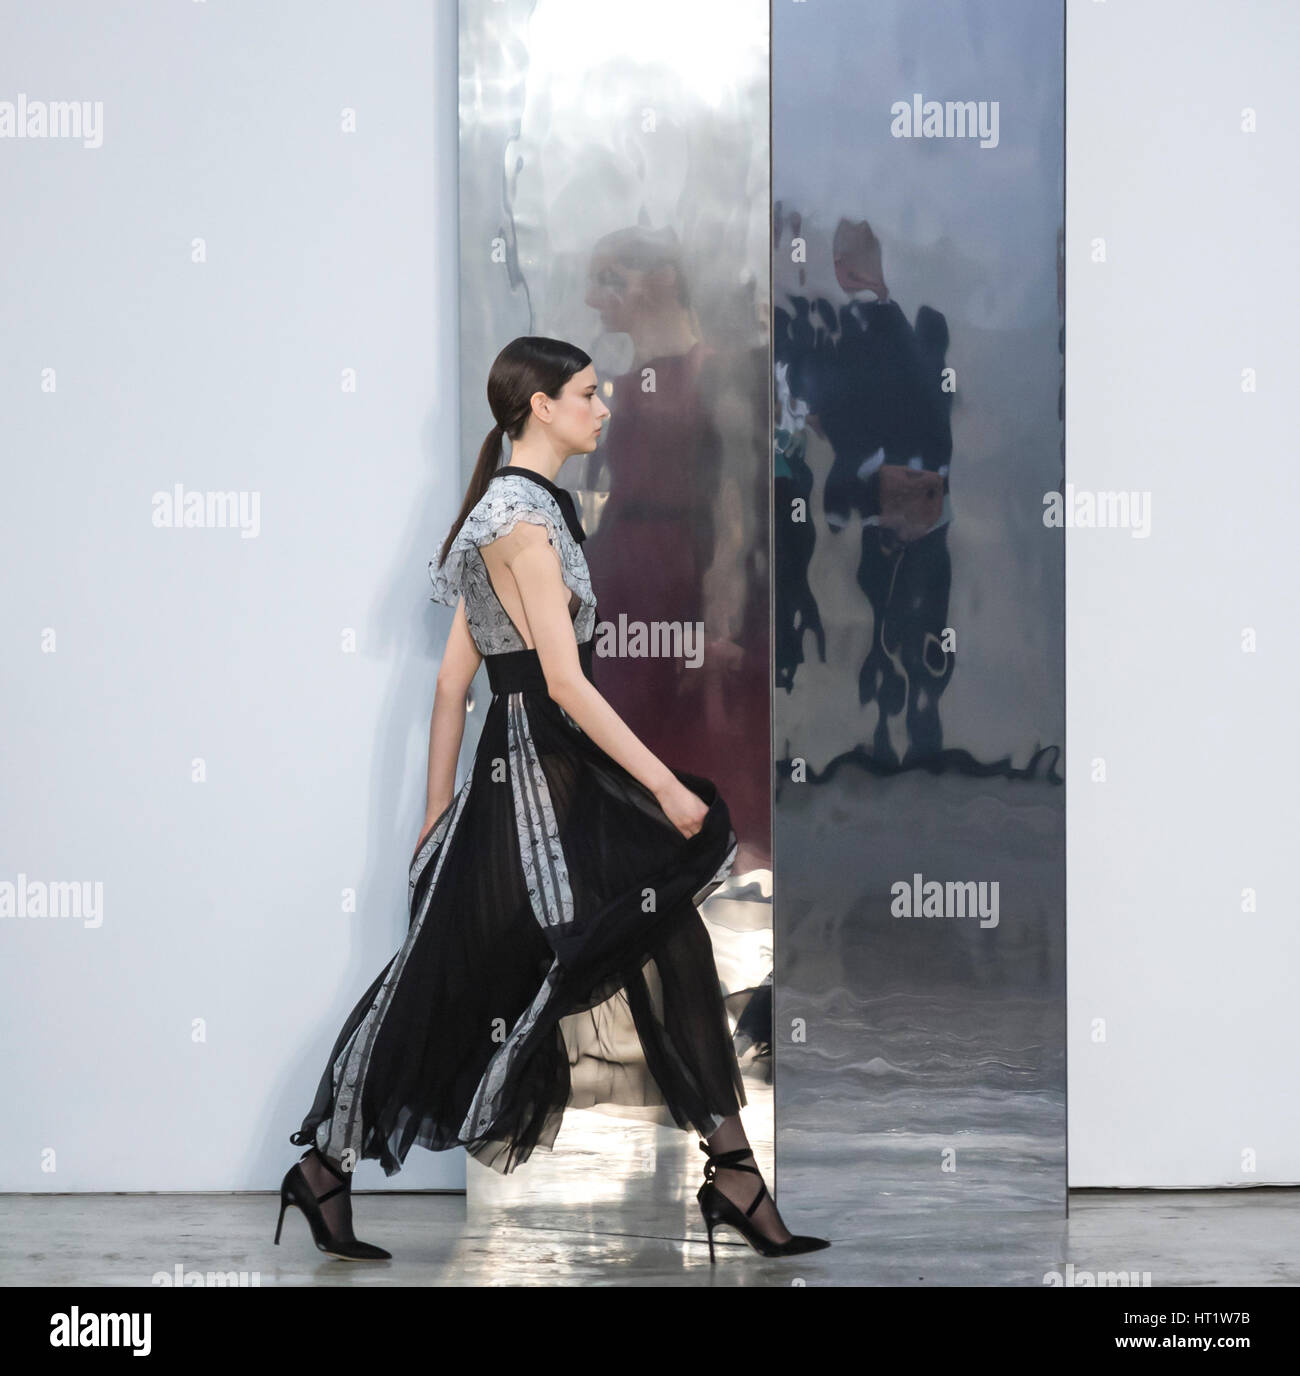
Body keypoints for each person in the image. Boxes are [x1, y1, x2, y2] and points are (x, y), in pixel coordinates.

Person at [275, 336, 829, 1265]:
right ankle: (327, 1162)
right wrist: (659, 784)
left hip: (527, 772)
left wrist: (435, 822)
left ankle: (732, 1167)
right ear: (539, 406)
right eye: (587, 394)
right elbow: (559, 686)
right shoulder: (519, 521)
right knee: (472, 972)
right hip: (540, 771)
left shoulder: (514, 512)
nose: (603, 409)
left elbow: (457, 684)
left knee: (636, 936)